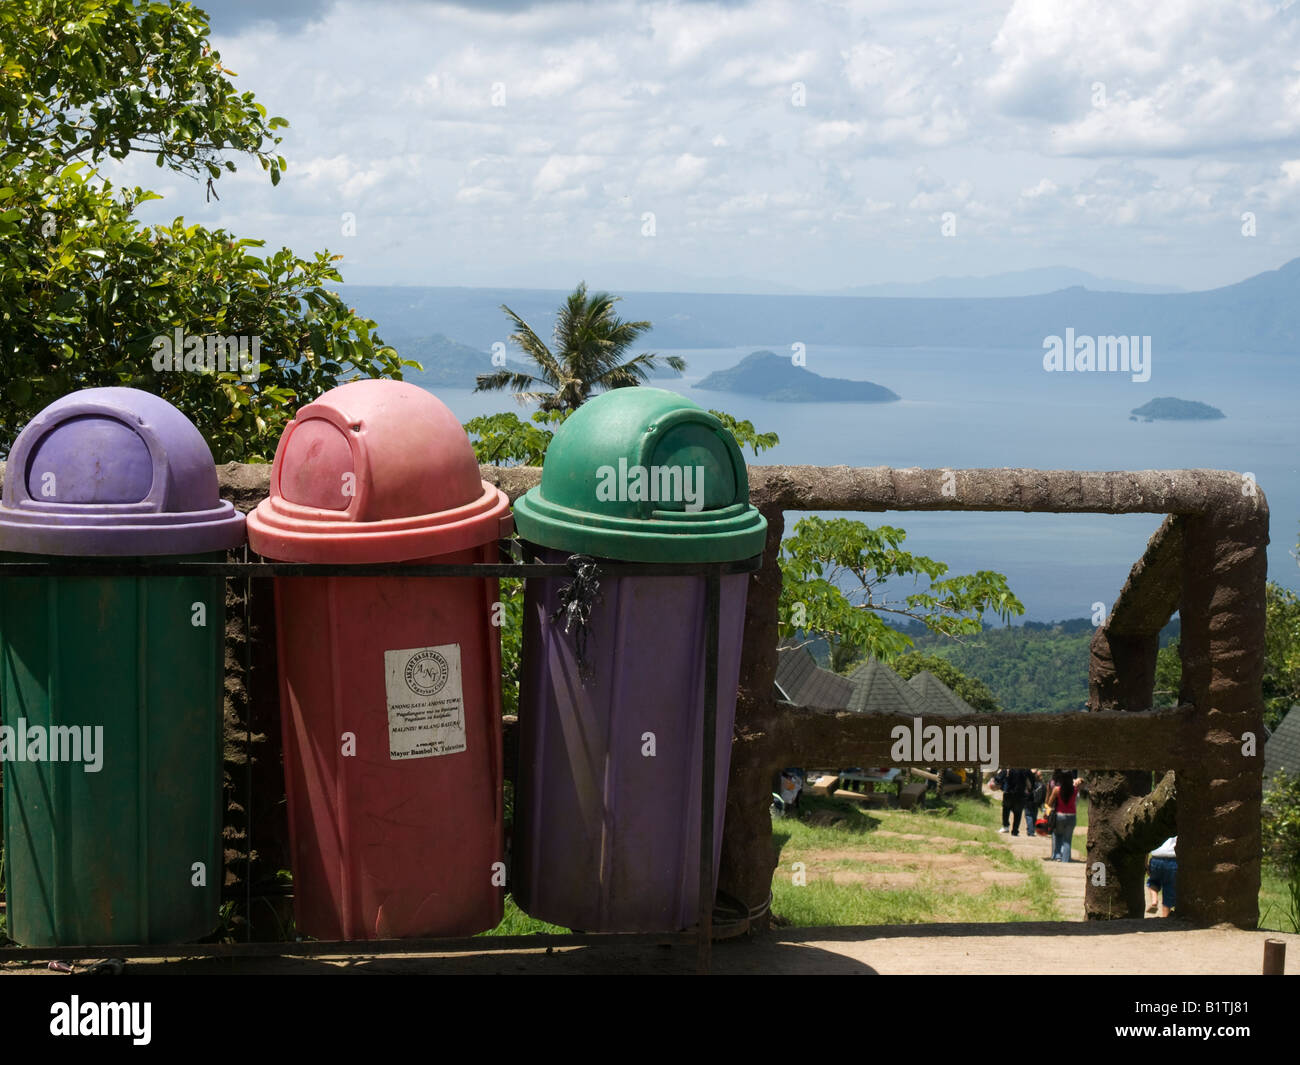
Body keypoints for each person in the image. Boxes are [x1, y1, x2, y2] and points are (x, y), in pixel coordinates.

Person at [1146, 836, 1177, 917]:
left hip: (1156, 859)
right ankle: (1165, 916)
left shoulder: (1158, 830)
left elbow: (1147, 846)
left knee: (1153, 881)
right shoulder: (1177, 829)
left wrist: (1145, 863)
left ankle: (1154, 900)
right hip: (1173, 860)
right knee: (1169, 888)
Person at [997, 767, 1031, 835]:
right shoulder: (1025, 770)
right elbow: (1029, 783)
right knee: (1018, 813)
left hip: (1008, 793)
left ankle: (1006, 826)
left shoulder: (1008, 768)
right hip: (1020, 794)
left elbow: (998, 778)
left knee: (1006, 810)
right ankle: (1015, 831)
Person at [1024, 769, 1045, 836]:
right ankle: (1031, 829)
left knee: (1028, 815)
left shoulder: (1032, 782)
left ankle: (1030, 831)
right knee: (1034, 816)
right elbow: (1044, 794)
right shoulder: (1042, 784)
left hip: (1029, 800)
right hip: (1037, 802)